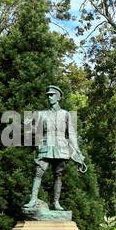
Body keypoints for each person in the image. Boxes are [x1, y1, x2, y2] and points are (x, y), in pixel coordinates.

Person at [25, 85, 85, 214]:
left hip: (61, 148)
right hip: (46, 147)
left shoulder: (66, 114)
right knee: (38, 173)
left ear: (58, 97)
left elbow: (72, 134)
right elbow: (34, 131)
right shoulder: (41, 114)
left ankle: (56, 202)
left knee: (58, 175)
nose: (49, 97)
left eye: (52, 95)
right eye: (48, 95)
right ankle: (33, 199)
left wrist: (77, 151)